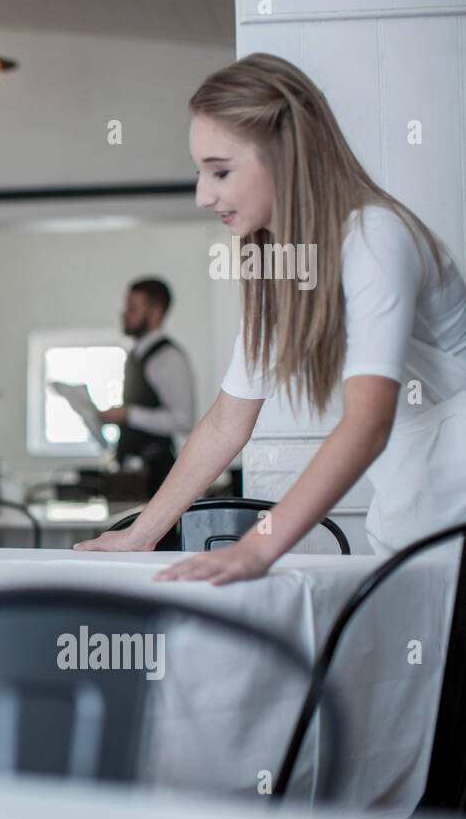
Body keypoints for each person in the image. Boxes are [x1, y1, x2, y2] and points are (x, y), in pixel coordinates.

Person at [75, 53, 466, 583]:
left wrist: (256, 549)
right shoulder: (280, 267)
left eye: (220, 171)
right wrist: (142, 533)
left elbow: (368, 422)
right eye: (200, 173)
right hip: (418, 513)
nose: (202, 195)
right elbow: (225, 422)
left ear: (285, 153)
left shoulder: (375, 238)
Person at [99, 277, 196, 497]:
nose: (124, 313)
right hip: (131, 476)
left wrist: (128, 415)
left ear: (156, 313)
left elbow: (183, 420)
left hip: (156, 479)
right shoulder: (135, 355)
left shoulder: (169, 358)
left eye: (132, 307)